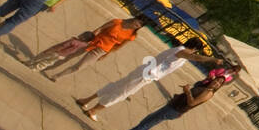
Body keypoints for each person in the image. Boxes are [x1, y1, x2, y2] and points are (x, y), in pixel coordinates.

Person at [74, 38, 224, 120]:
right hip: (148, 74)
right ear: (195, 48)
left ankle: (86, 100)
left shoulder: (179, 50)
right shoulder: (182, 52)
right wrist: (212, 60)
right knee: (121, 93)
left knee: (117, 86)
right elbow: (194, 57)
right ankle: (93, 110)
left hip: (145, 71)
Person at [123, 73, 226, 130]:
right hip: (174, 106)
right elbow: (197, 85)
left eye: (219, 83)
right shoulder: (205, 86)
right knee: (149, 120)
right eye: (216, 80)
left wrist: (187, 92)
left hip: (175, 110)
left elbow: (192, 103)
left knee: (148, 122)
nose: (216, 82)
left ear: (220, 87)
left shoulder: (208, 93)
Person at [43, 15, 147, 78]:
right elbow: (100, 28)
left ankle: (57, 76)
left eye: (139, 26)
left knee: (80, 66)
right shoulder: (117, 22)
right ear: (134, 19)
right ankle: (47, 66)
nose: (136, 26)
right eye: (137, 23)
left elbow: (118, 46)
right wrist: (89, 37)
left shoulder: (132, 35)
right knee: (69, 55)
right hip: (93, 41)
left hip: (102, 49)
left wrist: (106, 54)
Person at [28, 31, 96, 71]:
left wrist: (52, 49)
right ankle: (35, 68)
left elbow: (63, 45)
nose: (80, 34)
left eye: (82, 34)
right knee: (48, 62)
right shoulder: (84, 45)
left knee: (42, 56)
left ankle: (29, 63)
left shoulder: (74, 41)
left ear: (83, 37)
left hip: (56, 52)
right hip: (62, 56)